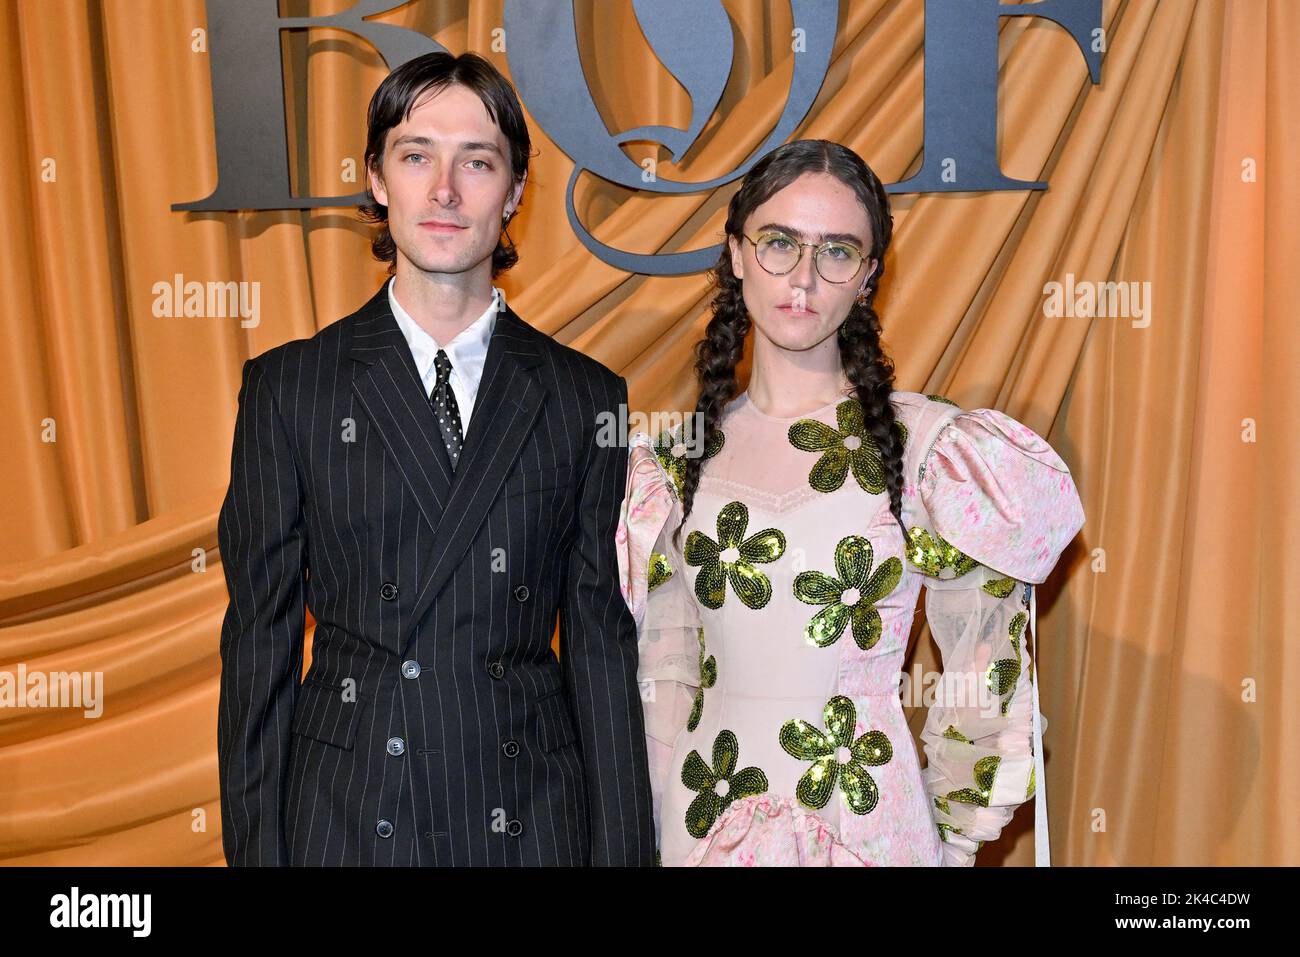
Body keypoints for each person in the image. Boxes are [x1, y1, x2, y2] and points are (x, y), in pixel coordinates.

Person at [217, 51, 654, 866]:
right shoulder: (291, 389)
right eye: (417, 156)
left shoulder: (585, 397)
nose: (445, 191)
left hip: (529, 819)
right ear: (379, 179)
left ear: (516, 190)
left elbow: (599, 651)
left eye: (477, 162)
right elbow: (258, 653)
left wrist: (623, 852)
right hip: (348, 821)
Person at [616, 139, 1085, 866]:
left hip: (868, 831)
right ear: (736, 253)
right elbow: (663, 680)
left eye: (836, 251)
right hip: (701, 824)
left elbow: (981, 680)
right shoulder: (671, 465)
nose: (802, 277)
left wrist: (951, 843)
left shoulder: (931, 452)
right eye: (779, 243)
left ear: (867, 277)